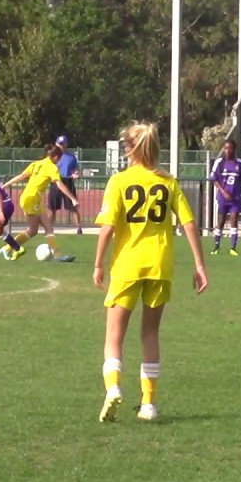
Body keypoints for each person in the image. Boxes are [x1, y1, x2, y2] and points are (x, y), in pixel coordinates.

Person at [94, 121, 209, 423]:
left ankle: (113, 388)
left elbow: (107, 227)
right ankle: (149, 404)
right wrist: (199, 265)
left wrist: (98, 263)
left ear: (130, 149)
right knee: (150, 333)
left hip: (128, 265)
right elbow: (189, 224)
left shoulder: (120, 181)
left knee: (114, 335)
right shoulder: (168, 183)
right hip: (159, 264)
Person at [1, 144, 79, 262]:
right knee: (33, 230)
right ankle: (7, 248)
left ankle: (58, 256)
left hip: (31, 198)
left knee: (47, 227)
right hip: (31, 199)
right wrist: (72, 198)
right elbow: (59, 184)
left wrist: (7, 184)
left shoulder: (36, 163)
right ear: (56, 157)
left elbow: (22, 176)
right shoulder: (52, 167)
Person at [209, 140, 241, 256]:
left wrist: (238, 193)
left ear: (234, 149)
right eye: (225, 148)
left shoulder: (239, 163)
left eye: (229, 148)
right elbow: (214, 179)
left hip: (235, 198)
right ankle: (216, 246)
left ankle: (233, 248)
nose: (227, 151)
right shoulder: (219, 162)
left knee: (234, 219)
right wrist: (224, 192)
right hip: (223, 198)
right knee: (221, 221)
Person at [48, 135, 84, 234]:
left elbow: (76, 169)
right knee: (52, 208)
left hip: (68, 182)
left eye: (63, 144)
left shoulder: (71, 157)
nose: (61, 146)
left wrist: (76, 173)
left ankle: (79, 228)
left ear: (66, 145)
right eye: (59, 144)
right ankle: (49, 228)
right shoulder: (52, 157)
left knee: (73, 207)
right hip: (55, 182)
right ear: (56, 144)